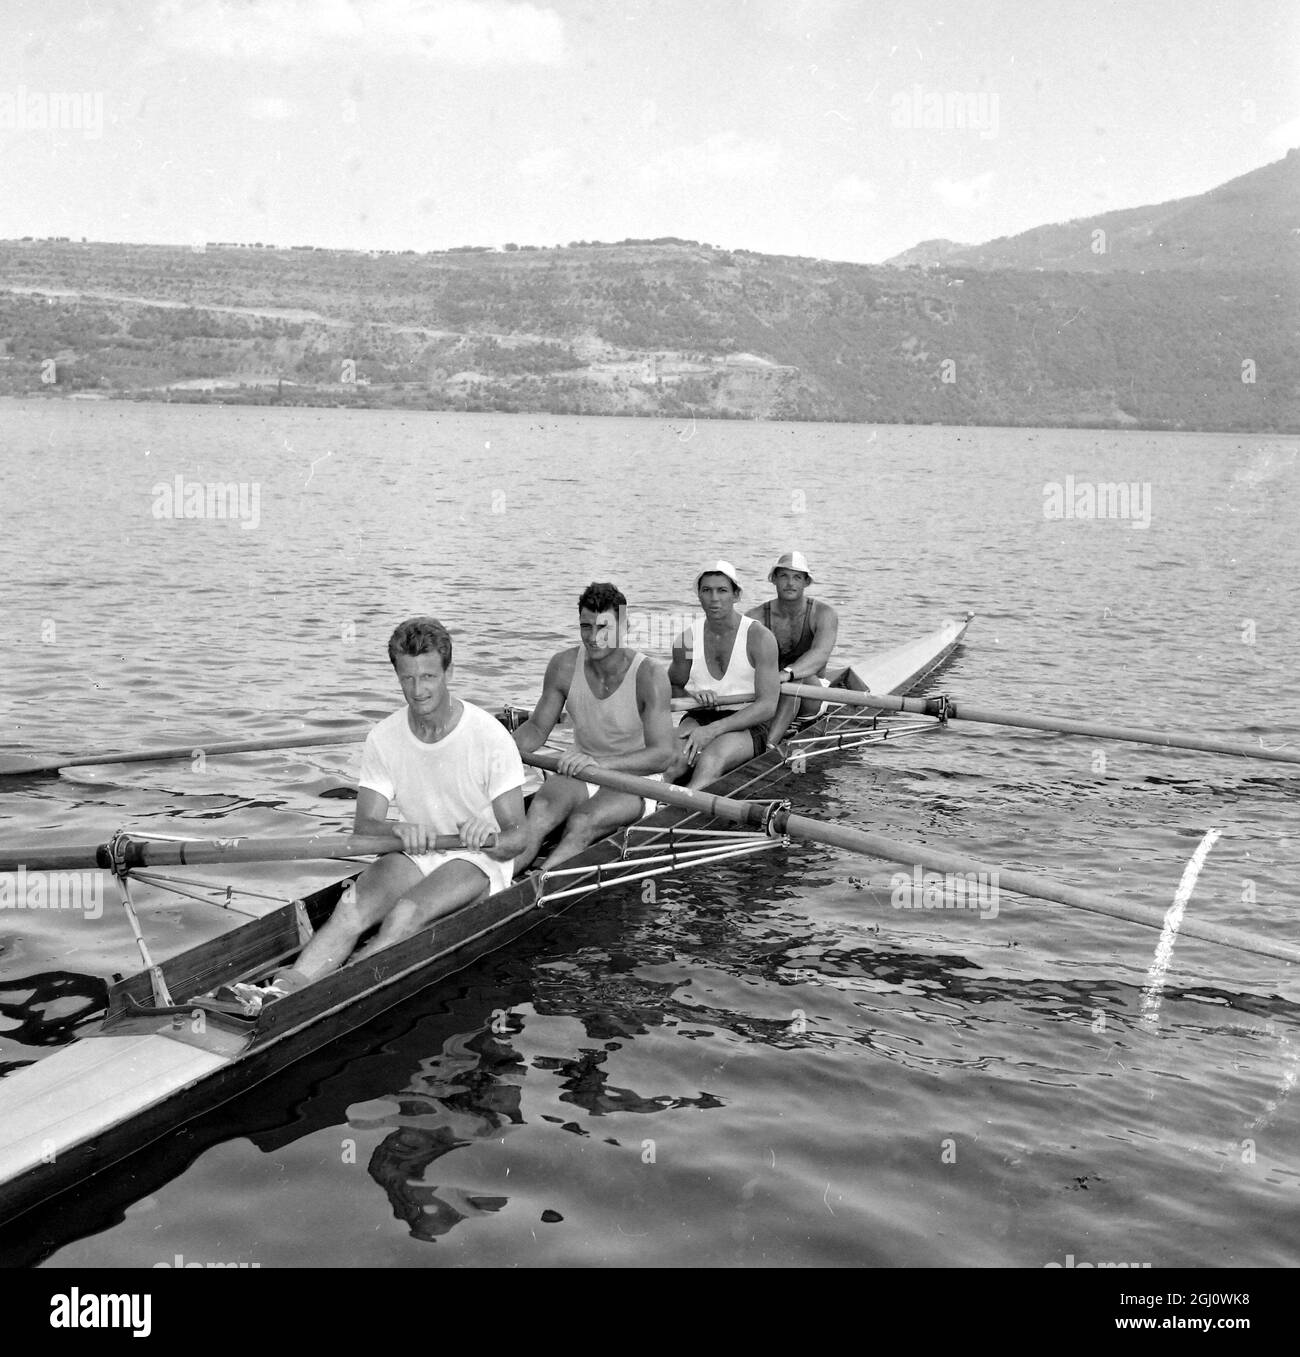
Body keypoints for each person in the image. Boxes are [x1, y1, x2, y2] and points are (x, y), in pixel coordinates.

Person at [230, 617, 526, 1007]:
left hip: (478, 857)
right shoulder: (384, 737)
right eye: (407, 678)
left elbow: (518, 837)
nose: (418, 691)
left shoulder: (489, 736)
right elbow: (365, 829)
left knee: (404, 916)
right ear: (397, 675)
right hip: (417, 852)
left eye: (428, 677)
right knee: (349, 908)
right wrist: (397, 832)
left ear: (449, 671)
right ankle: (285, 989)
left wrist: (488, 837)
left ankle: (325, 995)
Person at [512, 582, 674, 870]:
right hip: (583, 769)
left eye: (604, 628)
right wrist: (500, 749)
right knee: (539, 813)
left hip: (637, 777)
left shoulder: (649, 675)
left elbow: (663, 755)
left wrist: (598, 762)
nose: (594, 637)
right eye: (586, 627)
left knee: (581, 822)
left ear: (624, 626)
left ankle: (538, 887)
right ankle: (497, 889)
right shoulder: (562, 665)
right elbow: (536, 730)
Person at [666, 560, 779, 789]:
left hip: (748, 721)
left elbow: (768, 705)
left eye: (722, 590)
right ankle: (642, 808)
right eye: (706, 590)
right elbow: (673, 687)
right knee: (670, 762)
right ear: (698, 595)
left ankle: (675, 815)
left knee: (710, 761)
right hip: (701, 715)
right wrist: (694, 696)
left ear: (736, 596)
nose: (714, 598)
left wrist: (712, 731)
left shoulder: (759, 637)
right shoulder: (686, 640)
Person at [747, 550, 839, 746]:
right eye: (784, 576)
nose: (790, 583)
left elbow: (820, 656)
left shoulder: (824, 614)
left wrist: (786, 674)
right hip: (768, 693)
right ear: (774, 580)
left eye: (797, 577)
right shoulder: (755, 616)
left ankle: (768, 746)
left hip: (812, 697)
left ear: (806, 582)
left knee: (800, 677)